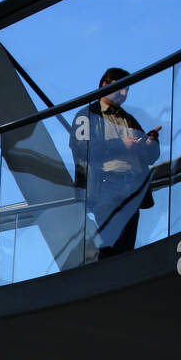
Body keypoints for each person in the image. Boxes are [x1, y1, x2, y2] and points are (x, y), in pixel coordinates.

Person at [69, 67, 161, 259]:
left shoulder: (128, 119)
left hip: (133, 185)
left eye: (127, 90)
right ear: (104, 85)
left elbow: (151, 157)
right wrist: (121, 145)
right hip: (106, 185)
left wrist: (151, 143)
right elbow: (82, 149)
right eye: (120, 88)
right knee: (112, 243)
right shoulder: (86, 115)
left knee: (126, 244)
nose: (124, 93)